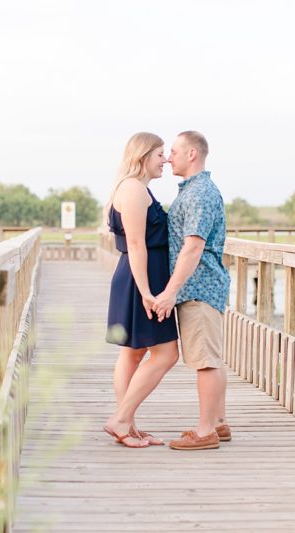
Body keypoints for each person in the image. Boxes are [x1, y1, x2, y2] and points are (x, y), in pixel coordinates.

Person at [153, 130, 231, 451]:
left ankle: (204, 432)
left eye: (173, 151)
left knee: (205, 361)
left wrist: (170, 291)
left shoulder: (199, 193)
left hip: (199, 285)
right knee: (210, 356)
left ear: (192, 154)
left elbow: (193, 246)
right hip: (203, 285)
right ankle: (217, 423)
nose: (169, 157)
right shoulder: (195, 190)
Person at [103, 132, 180, 448]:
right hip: (141, 280)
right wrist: (148, 291)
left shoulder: (135, 188)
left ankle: (127, 425)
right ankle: (121, 419)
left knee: (133, 353)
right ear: (143, 155)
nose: (165, 160)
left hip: (138, 278)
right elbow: (136, 244)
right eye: (160, 154)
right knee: (166, 354)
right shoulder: (133, 189)